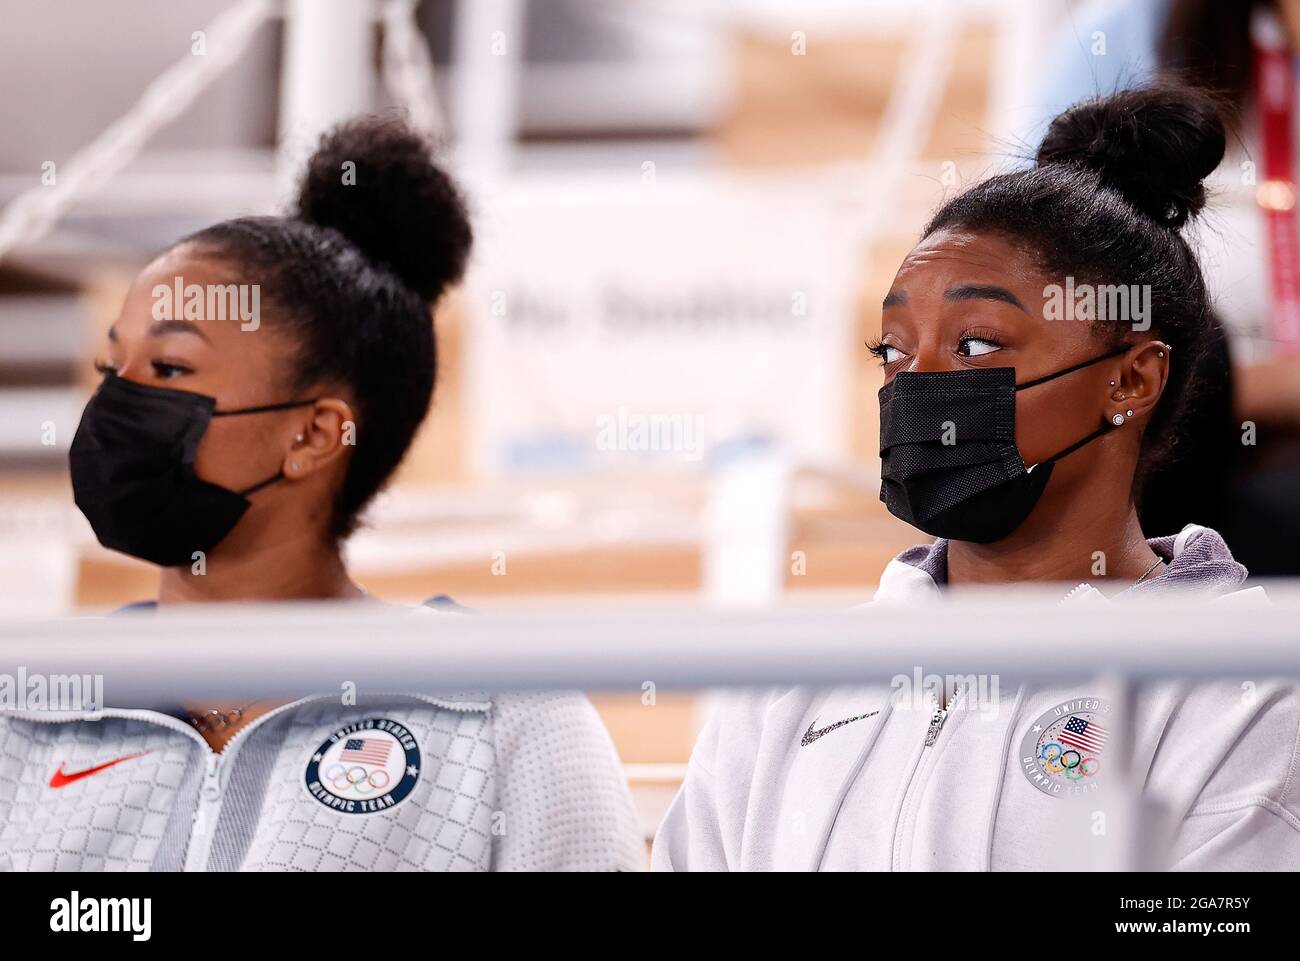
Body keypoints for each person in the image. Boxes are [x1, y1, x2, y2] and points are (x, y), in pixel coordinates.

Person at [652, 86, 1300, 871]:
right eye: (891, 350)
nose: (916, 383)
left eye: (976, 346)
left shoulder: (1245, 697)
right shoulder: (790, 689)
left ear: (1129, 380)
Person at [0, 116, 642, 872]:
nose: (115, 404)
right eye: (114, 369)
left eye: (170, 370)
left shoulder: (498, 715)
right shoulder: (29, 703)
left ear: (312, 435)